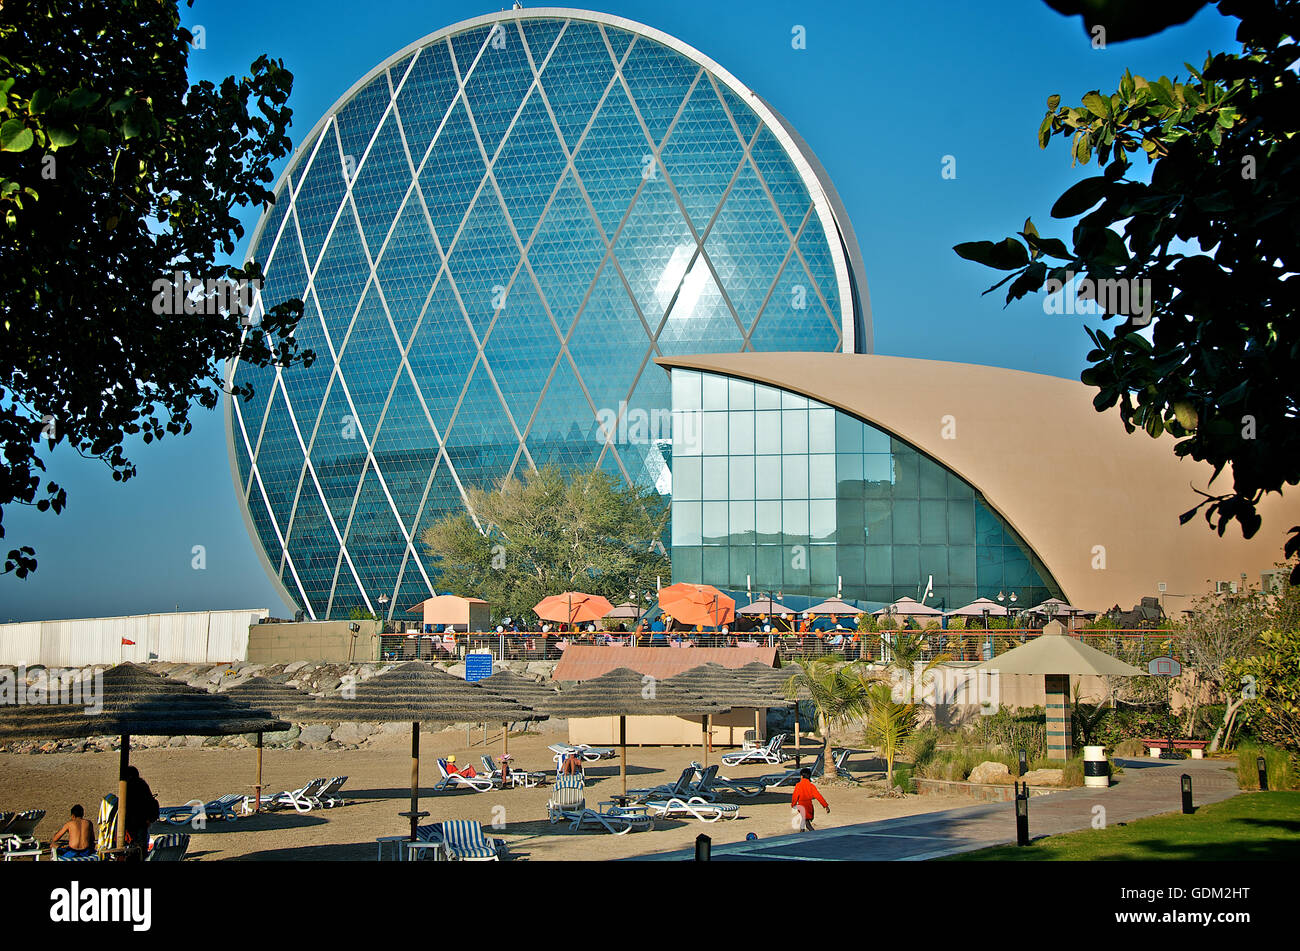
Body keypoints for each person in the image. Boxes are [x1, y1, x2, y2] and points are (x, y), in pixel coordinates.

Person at [123, 766, 159, 858]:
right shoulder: (142, 785)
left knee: (135, 846)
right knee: (141, 846)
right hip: (142, 821)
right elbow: (149, 802)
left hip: (133, 822)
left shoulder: (128, 786)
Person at [790, 767, 829, 831]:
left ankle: (814, 836)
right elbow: (818, 796)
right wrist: (825, 806)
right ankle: (802, 835)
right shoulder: (811, 786)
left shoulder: (798, 785)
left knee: (807, 824)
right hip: (809, 806)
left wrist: (793, 805)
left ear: (801, 776)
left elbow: (795, 796)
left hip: (802, 806)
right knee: (804, 822)